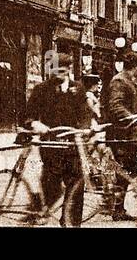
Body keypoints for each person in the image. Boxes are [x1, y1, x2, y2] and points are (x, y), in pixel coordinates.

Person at [22, 53, 91, 225]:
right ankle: (36, 210)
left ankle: (70, 223)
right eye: (57, 69)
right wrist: (35, 124)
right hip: (50, 147)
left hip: (72, 147)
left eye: (65, 69)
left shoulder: (78, 89)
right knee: (52, 189)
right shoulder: (41, 90)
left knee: (76, 188)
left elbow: (85, 114)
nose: (61, 73)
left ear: (69, 69)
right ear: (50, 70)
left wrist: (84, 129)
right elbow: (27, 116)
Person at [103, 51, 137, 221]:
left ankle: (117, 206)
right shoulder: (120, 81)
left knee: (127, 169)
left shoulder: (130, 81)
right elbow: (115, 106)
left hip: (129, 132)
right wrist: (131, 117)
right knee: (124, 170)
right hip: (120, 132)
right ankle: (114, 204)